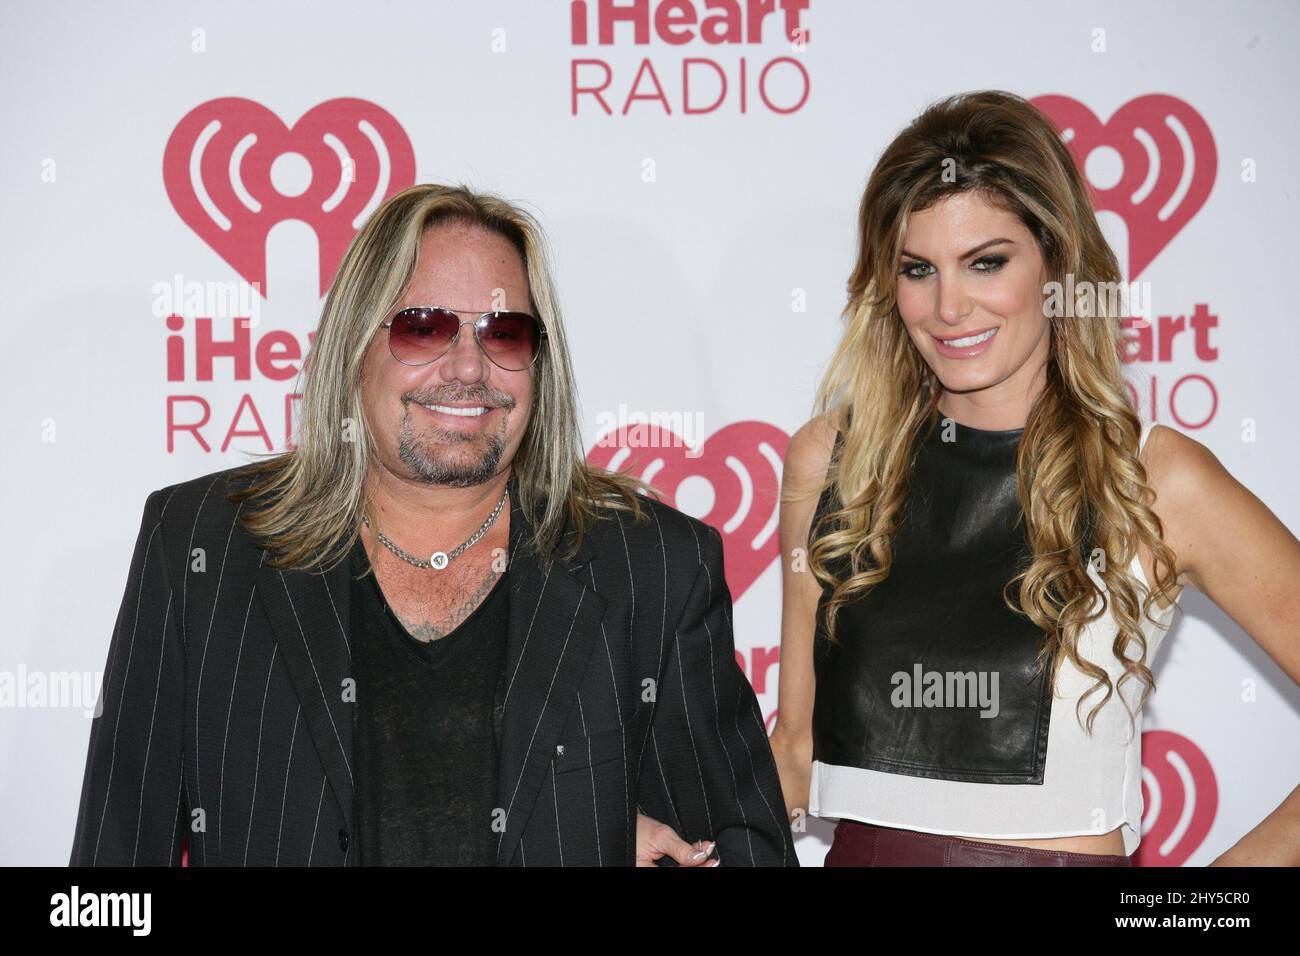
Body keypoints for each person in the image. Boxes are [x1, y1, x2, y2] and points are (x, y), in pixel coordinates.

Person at [70, 183, 795, 867]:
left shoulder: (653, 567)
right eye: (425, 327)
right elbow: (117, 860)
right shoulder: (202, 545)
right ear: (352, 347)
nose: (469, 367)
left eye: (504, 332)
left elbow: (741, 843)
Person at [768, 90, 1300, 866]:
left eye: (987, 262)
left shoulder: (1152, 478)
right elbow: (795, 747)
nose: (950, 307)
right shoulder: (831, 462)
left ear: (1057, 262)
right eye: (919, 269)